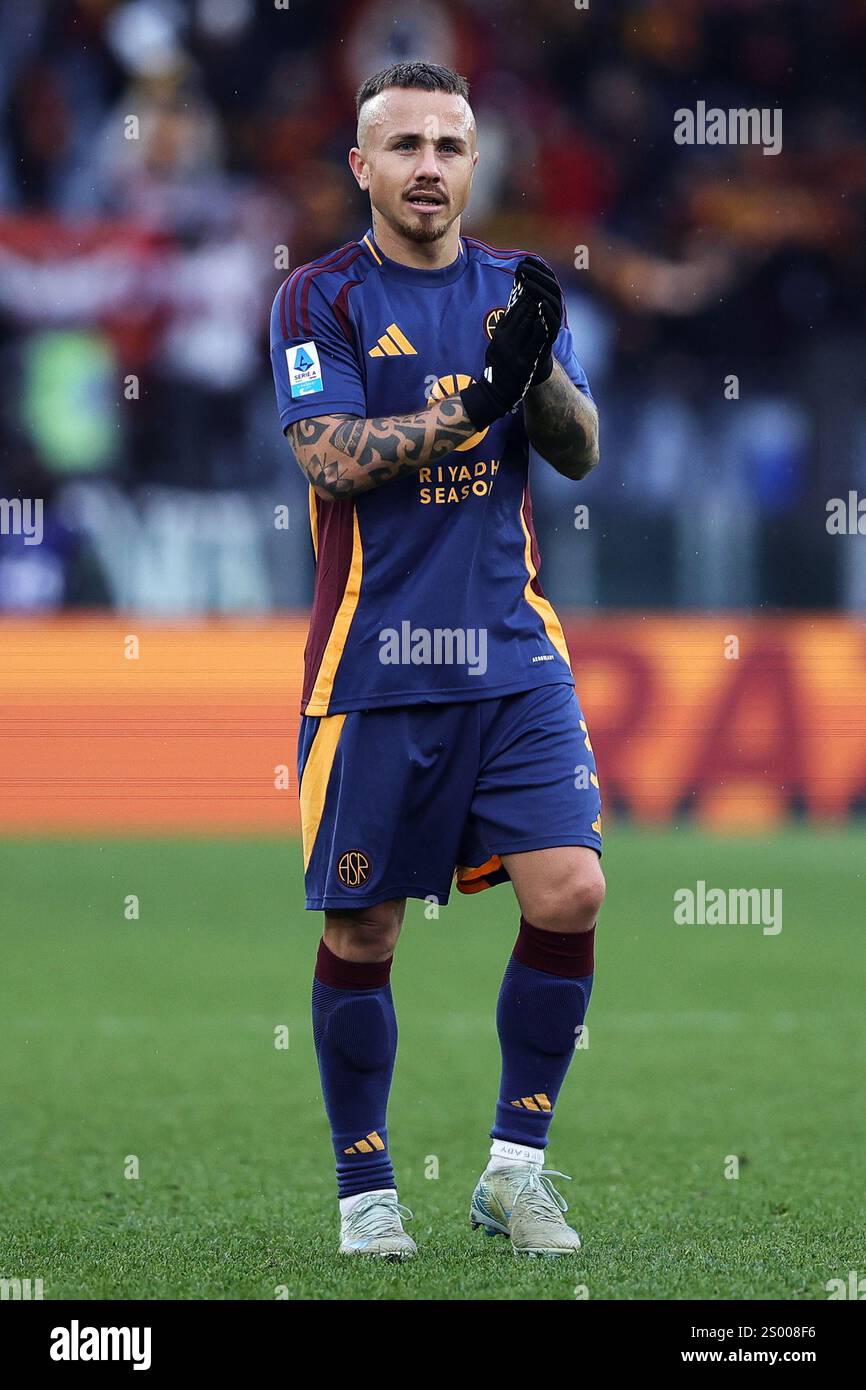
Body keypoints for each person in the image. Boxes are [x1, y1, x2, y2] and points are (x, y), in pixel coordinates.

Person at [269, 60, 603, 1259]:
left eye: (447, 147)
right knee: (364, 932)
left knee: (571, 888)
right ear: (360, 167)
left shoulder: (515, 287)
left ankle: (515, 1172)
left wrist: (540, 370)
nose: (426, 166)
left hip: (512, 655)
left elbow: (576, 450)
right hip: (373, 667)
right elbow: (331, 457)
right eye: (401, 145)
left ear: (474, 164)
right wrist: (471, 404)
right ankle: (367, 1189)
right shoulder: (318, 300)